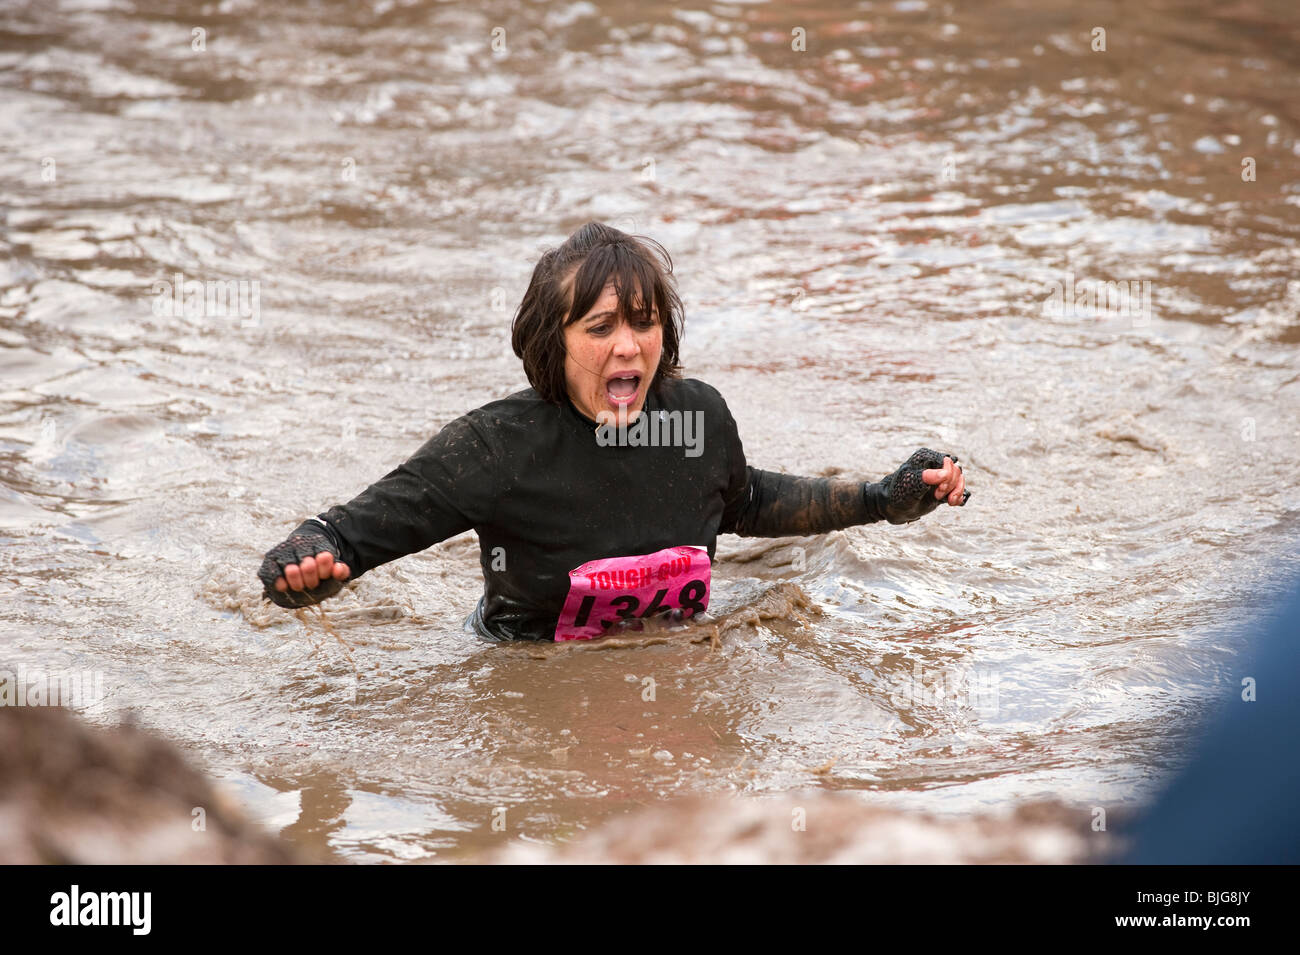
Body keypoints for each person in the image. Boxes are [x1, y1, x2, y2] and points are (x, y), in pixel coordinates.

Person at [257, 222, 969, 641]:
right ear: (552, 342)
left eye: (644, 323)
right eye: (600, 328)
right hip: (527, 668)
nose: (628, 347)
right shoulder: (494, 448)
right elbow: (347, 537)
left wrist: (883, 498)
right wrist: (305, 565)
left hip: (668, 660)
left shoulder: (697, 419)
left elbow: (746, 503)